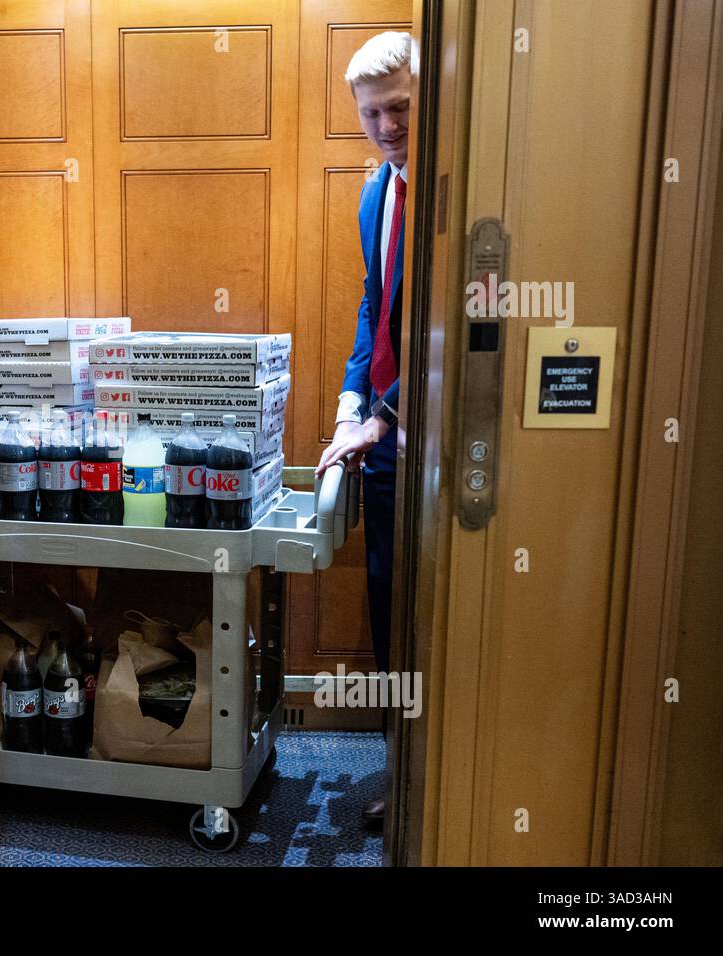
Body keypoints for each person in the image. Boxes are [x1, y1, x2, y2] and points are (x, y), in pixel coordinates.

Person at [314, 31, 412, 830]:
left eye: (401, 107)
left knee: (433, 612)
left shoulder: (453, 193)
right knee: (386, 604)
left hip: (435, 445)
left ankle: (433, 775)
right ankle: (400, 772)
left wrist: (385, 417)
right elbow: (373, 305)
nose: (387, 125)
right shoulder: (376, 193)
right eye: (373, 113)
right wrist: (353, 403)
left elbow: (455, 325)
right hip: (379, 441)